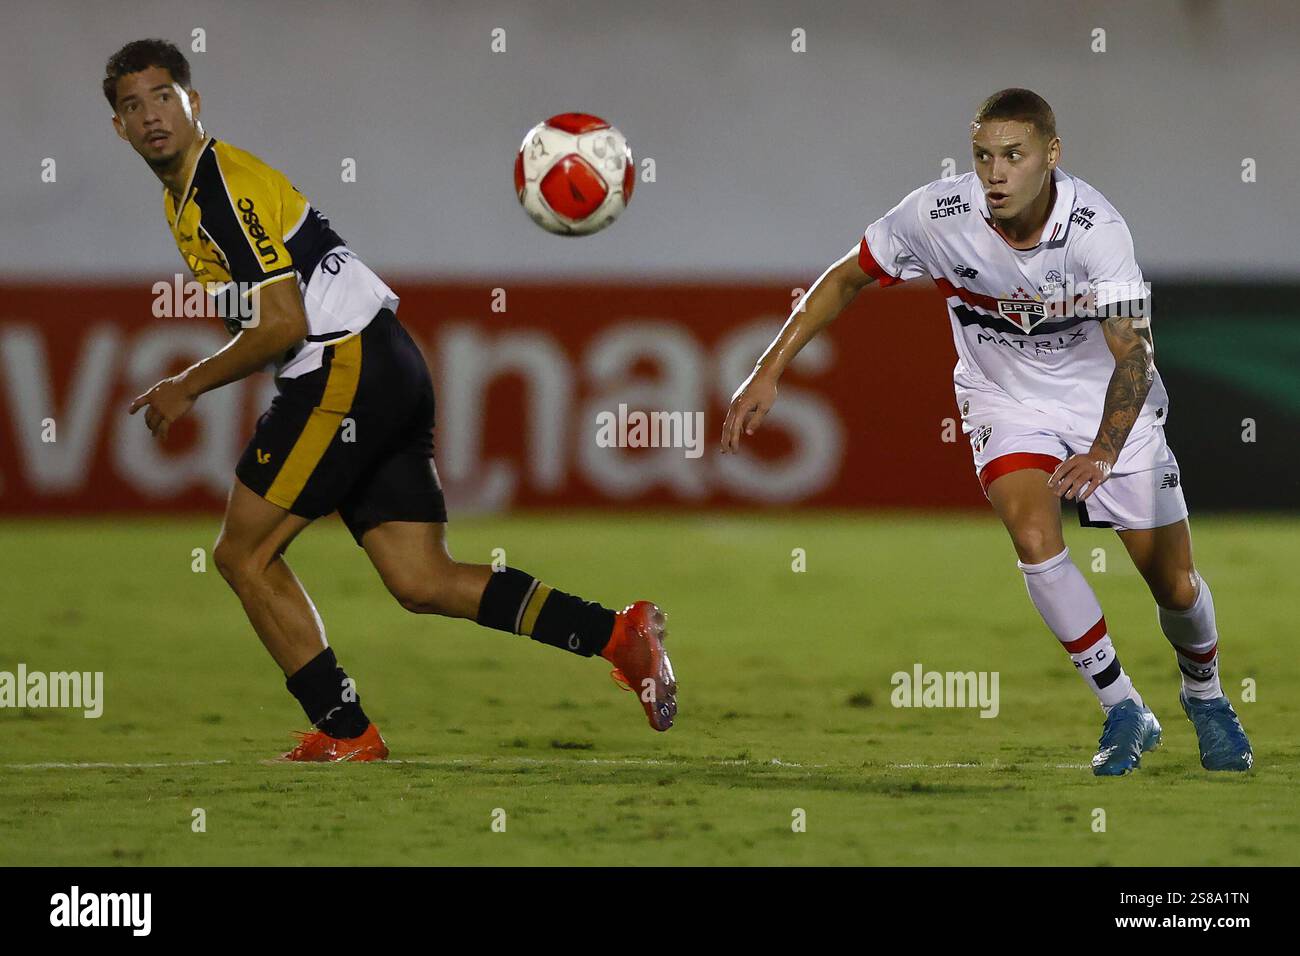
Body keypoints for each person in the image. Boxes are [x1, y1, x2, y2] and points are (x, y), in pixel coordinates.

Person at [109, 39, 676, 761]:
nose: (152, 115)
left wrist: (187, 383)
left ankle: (345, 731)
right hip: (387, 360)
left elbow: (282, 321)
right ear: (118, 127)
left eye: (164, 96)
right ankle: (618, 636)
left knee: (243, 556)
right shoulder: (186, 195)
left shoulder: (222, 186)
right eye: (133, 106)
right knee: (422, 579)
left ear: (194, 103)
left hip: (344, 364)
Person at [722, 88, 1250, 776]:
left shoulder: (1098, 229)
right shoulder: (936, 215)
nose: (994, 173)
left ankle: (1206, 697)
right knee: (1034, 536)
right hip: (1003, 398)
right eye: (982, 156)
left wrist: (1101, 451)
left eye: (1012, 155)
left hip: (1107, 406)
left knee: (1174, 585)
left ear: (1050, 156)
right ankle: (1122, 707)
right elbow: (846, 277)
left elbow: (1134, 355)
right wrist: (768, 367)